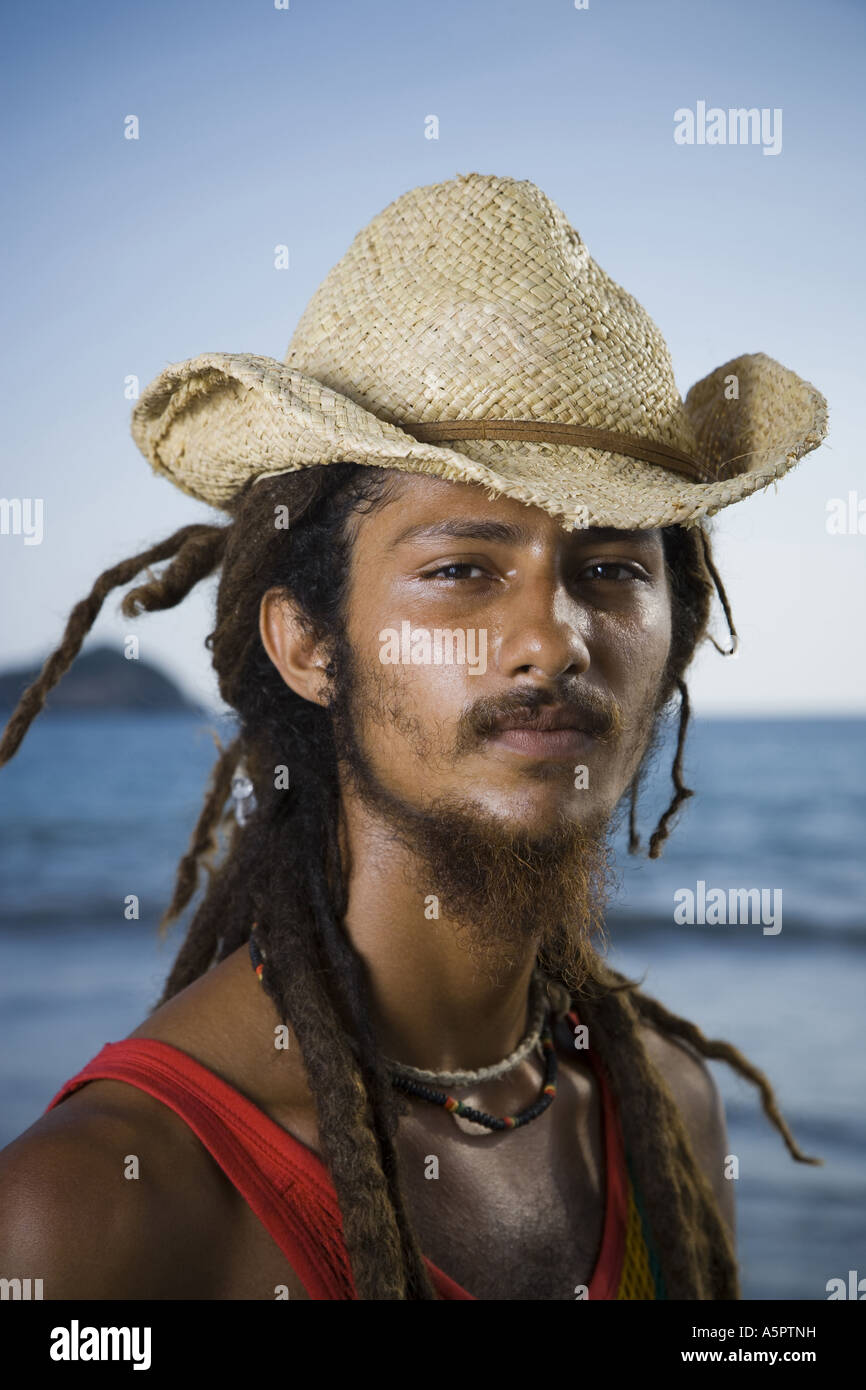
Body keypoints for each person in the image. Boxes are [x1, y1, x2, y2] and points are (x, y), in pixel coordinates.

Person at [0, 172, 826, 1300]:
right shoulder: (100, 1206)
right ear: (308, 645)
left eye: (609, 569)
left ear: (673, 634)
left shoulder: (666, 1109)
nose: (551, 638)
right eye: (460, 569)